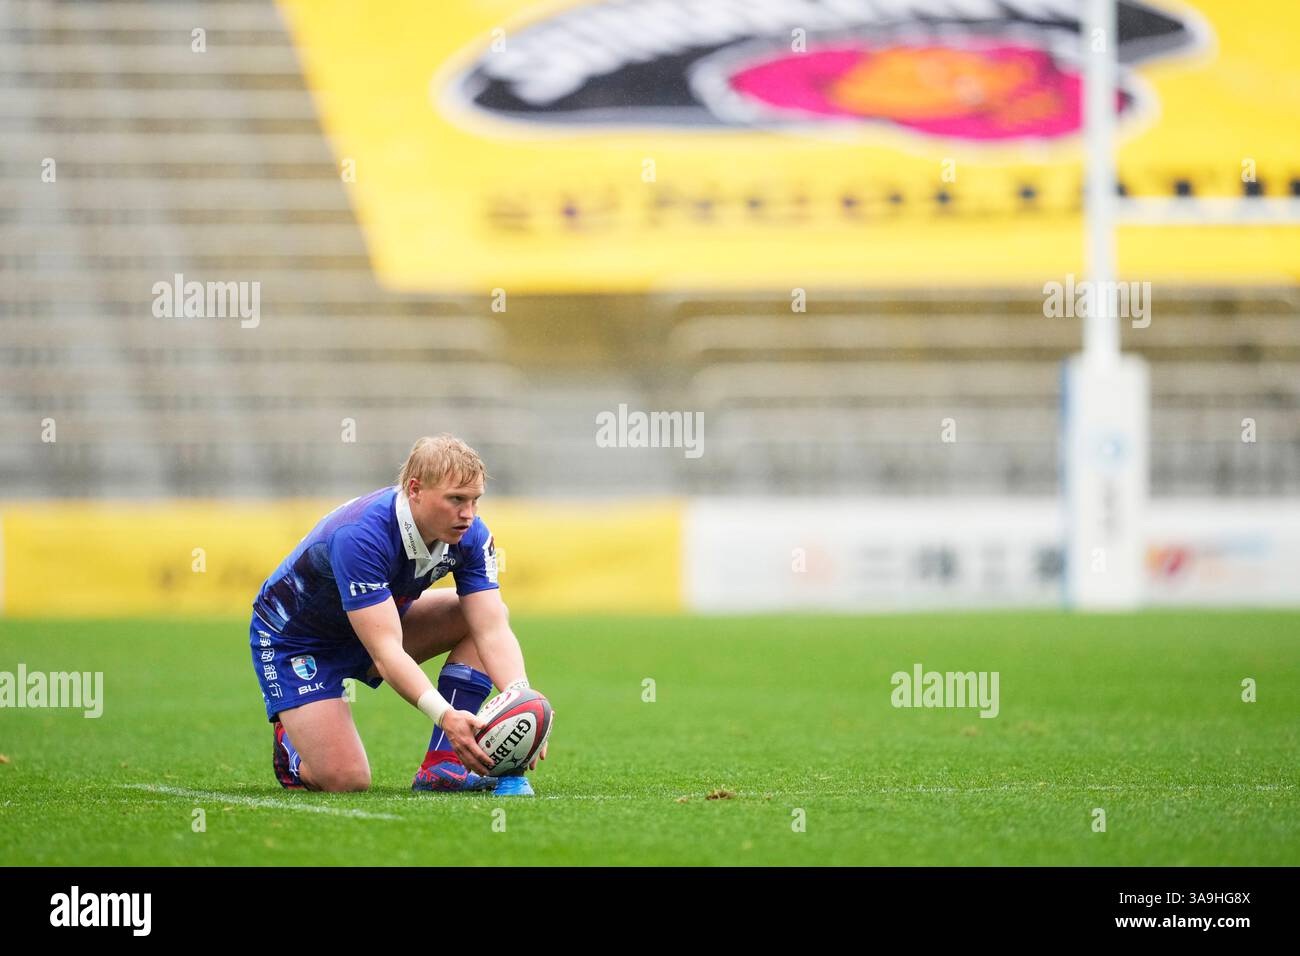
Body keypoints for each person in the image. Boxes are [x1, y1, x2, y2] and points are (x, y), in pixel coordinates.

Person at [248, 434, 548, 796]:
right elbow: (387, 652)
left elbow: (491, 629)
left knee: (484, 612)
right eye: (456, 499)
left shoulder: (472, 536)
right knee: (346, 780)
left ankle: (444, 766)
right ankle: (292, 744)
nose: (468, 514)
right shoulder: (362, 534)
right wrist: (445, 715)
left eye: (475, 500)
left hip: (375, 623)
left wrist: (522, 700)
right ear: (415, 489)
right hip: (297, 642)